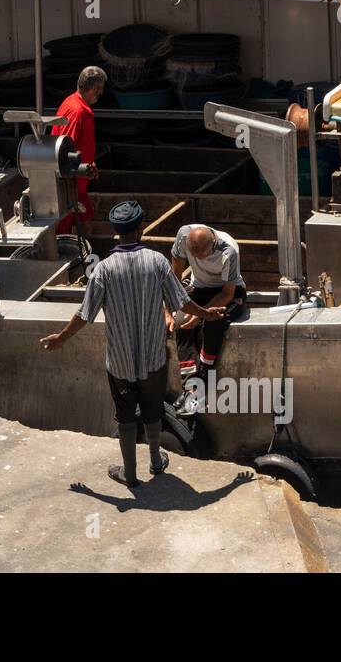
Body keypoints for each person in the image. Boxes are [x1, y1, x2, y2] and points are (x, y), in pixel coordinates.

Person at [39, 202, 225, 488]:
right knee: (153, 410)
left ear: (117, 232)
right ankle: (154, 461)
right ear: (139, 229)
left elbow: (84, 314)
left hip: (120, 364)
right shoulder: (157, 262)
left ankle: (130, 473)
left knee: (125, 416)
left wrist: (62, 338)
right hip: (154, 360)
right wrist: (207, 313)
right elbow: (182, 302)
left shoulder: (103, 270)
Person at [170, 224, 247, 395]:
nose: (199, 260)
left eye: (202, 257)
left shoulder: (229, 251)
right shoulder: (183, 236)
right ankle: (190, 387)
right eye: (194, 256)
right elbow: (175, 278)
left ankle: (205, 374)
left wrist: (200, 315)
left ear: (213, 244)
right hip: (199, 288)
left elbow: (227, 293)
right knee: (181, 323)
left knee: (214, 322)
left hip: (228, 292)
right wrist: (173, 309)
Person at [51, 66, 106, 235]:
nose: (101, 94)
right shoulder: (78, 112)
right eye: (100, 89)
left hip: (77, 183)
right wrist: (81, 169)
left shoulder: (73, 103)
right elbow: (64, 153)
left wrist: (87, 165)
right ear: (95, 89)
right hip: (68, 185)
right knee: (63, 230)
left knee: (86, 219)